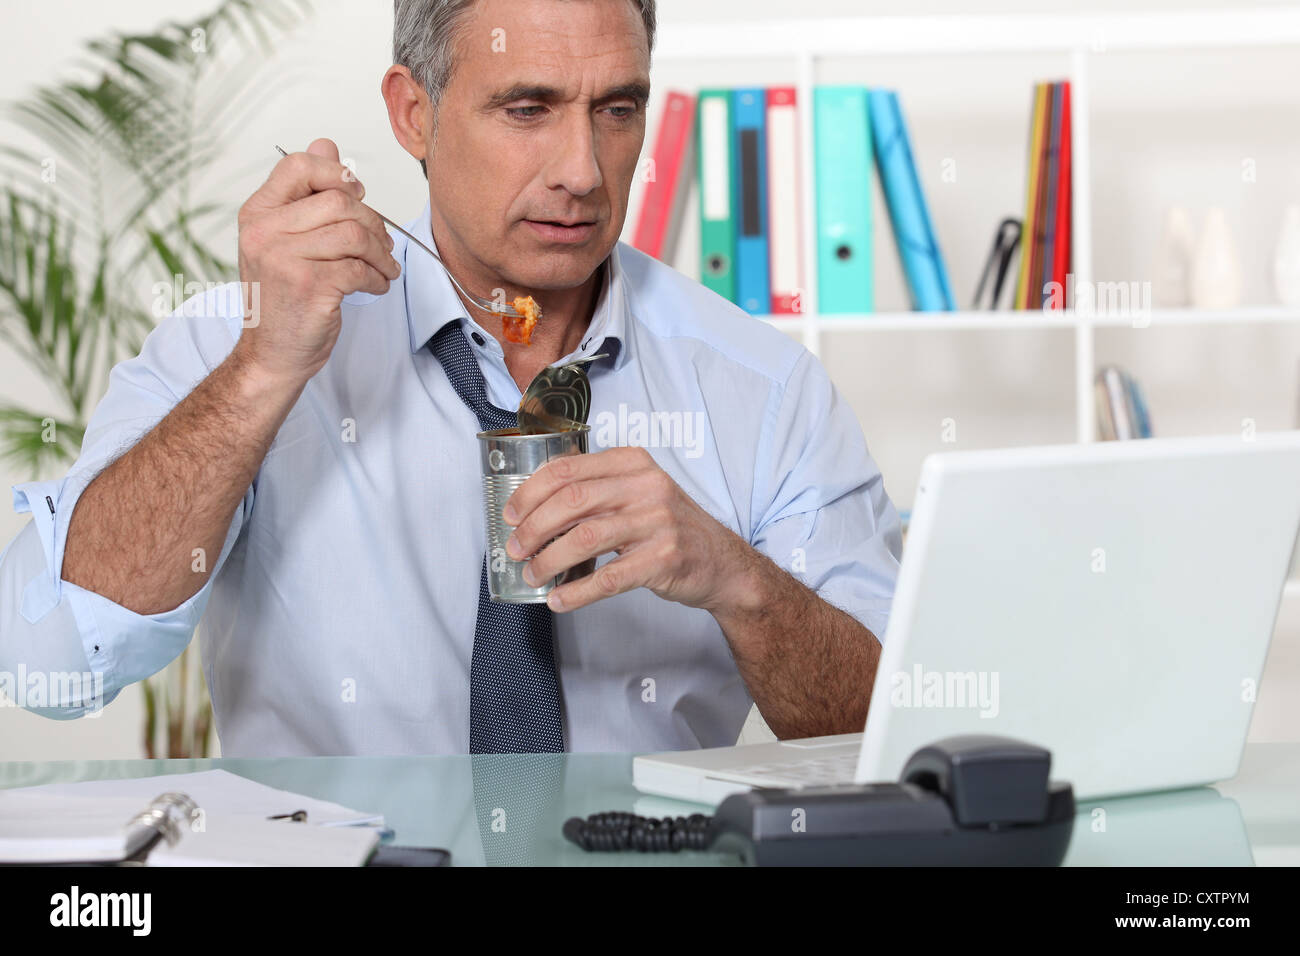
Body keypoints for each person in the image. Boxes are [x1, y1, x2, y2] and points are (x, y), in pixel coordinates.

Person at [0, 0, 901, 755]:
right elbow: (48, 659)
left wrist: (736, 578)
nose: (583, 172)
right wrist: (263, 371)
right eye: (527, 109)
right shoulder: (246, 340)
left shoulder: (764, 389)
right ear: (412, 113)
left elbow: (896, 739)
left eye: (617, 110)